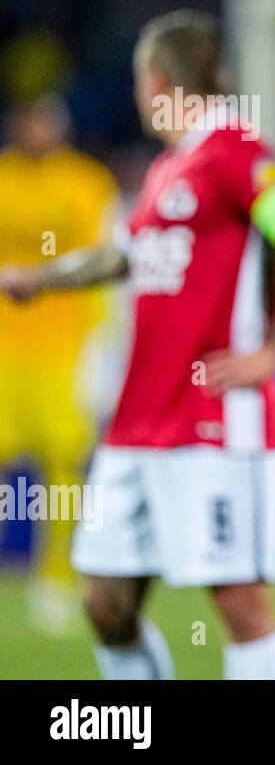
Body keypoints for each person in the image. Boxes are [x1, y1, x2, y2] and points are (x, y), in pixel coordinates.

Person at [0, 10, 275, 679]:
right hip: (141, 423)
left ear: (153, 83)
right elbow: (123, 257)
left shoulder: (237, 151)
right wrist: (36, 277)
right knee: (105, 602)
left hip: (212, 420)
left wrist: (273, 352)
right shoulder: (169, 172)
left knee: (238, 604)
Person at [0, 95, 117, 634]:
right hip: (5, 348)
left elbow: (110, 258)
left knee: (64, 469)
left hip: (67, 348)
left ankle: (53, 580)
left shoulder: (87, 182)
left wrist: (105, 342)